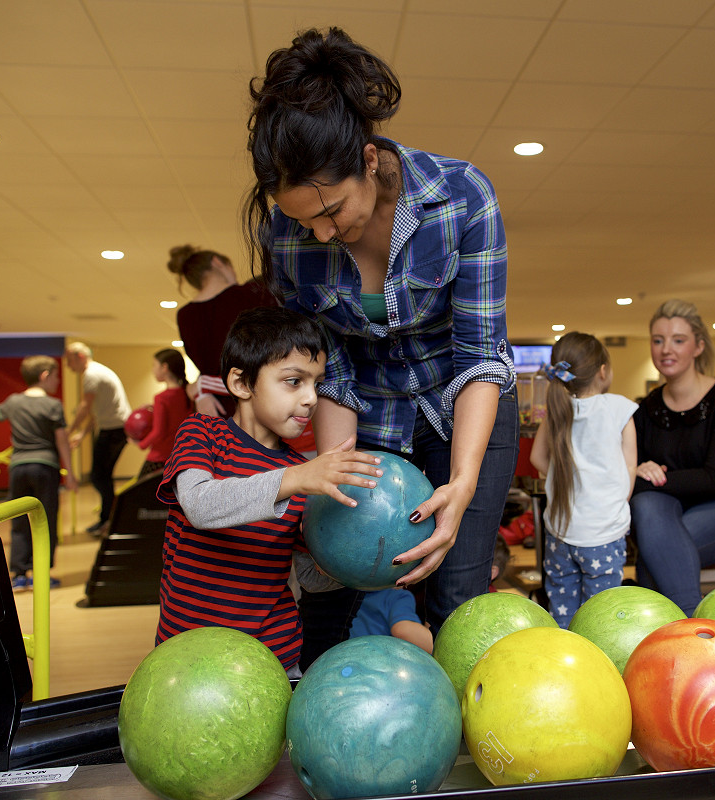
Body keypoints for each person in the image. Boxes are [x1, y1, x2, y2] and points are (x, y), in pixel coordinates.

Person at [243, 27, 519, 637]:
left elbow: (480, 356)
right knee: (332, 584)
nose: (318, 233)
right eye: (300, 219)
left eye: (331, 211)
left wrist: (462, 482)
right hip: (363, 407)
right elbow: (329, 364)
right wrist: (333, 473)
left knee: (453, 595)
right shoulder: (288, 237)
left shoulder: (461, 199)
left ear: (369, 161)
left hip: (462, 400)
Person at [154, 307, 384, 674]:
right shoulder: (202, 434)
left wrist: (369, 558)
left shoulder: (301, 473)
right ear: (241, 384)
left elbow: (309, 576)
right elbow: (200, 505)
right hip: (187, 658)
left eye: (317, 383)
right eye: (294, 381)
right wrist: (295, 479)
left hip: (273, 660)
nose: (311, 398)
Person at [629, 300, 715, 616]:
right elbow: (634, 481)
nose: (665, 350)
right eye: (658, 340)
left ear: (698, 346)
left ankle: (681, 627)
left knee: (654, 552)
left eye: (678, 340)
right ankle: (688, 633)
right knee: (647, 510)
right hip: (663, 515)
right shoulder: (647, 409)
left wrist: (656, 479)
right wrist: (638, 468)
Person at [528, 332, 637, 628]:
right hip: (603, 534)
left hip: (560, 533)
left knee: (562, 615)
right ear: (603, 371)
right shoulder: (619, 409)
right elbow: (629, 467)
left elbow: (537, 460)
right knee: (600, 618)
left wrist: (560, 478)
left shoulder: (556, 411)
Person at [0, 356, 77, 591]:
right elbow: (62, 441)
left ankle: (18, 573)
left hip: (18, 468)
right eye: (56, 376)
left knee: (19, 520)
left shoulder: (14, 401)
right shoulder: (52, 405)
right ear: (45, 376)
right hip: (44, 467)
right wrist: (69, 472)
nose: (58, 381)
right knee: (46, 519)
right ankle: (41, 574)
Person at [166, 244, 279, 417]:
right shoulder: (251, 294)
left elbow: (206, 367)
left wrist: (201, 389)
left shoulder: (185, 315)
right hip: (260, 405)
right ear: (217, 262)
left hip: (216, 411)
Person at [65, 342, 132, 535]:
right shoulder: (97, 372)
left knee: (99, 476)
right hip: (112, 429)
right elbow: (97, 412)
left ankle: (109, 520)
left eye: (69, 360)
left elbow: (85, 407)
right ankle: (108, 519)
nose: (68, 366)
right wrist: (82, 434)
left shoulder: (92, 375)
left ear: (80, 357)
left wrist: (69, 432)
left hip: (114, 430)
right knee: (102, 477)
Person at [132, 348, 193, 479]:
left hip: (160, 458)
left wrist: (140, 444)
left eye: (154, 365)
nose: (153, 370)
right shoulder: (188, 394)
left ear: (164, 367)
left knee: (141, 495)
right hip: (183, 457)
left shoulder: (162, 398)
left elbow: (159, 432)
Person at [347, 588, 434, 653]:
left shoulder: (344, 593)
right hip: (372, 663)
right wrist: (435, 625)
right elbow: (404, 631)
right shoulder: (396, 596)